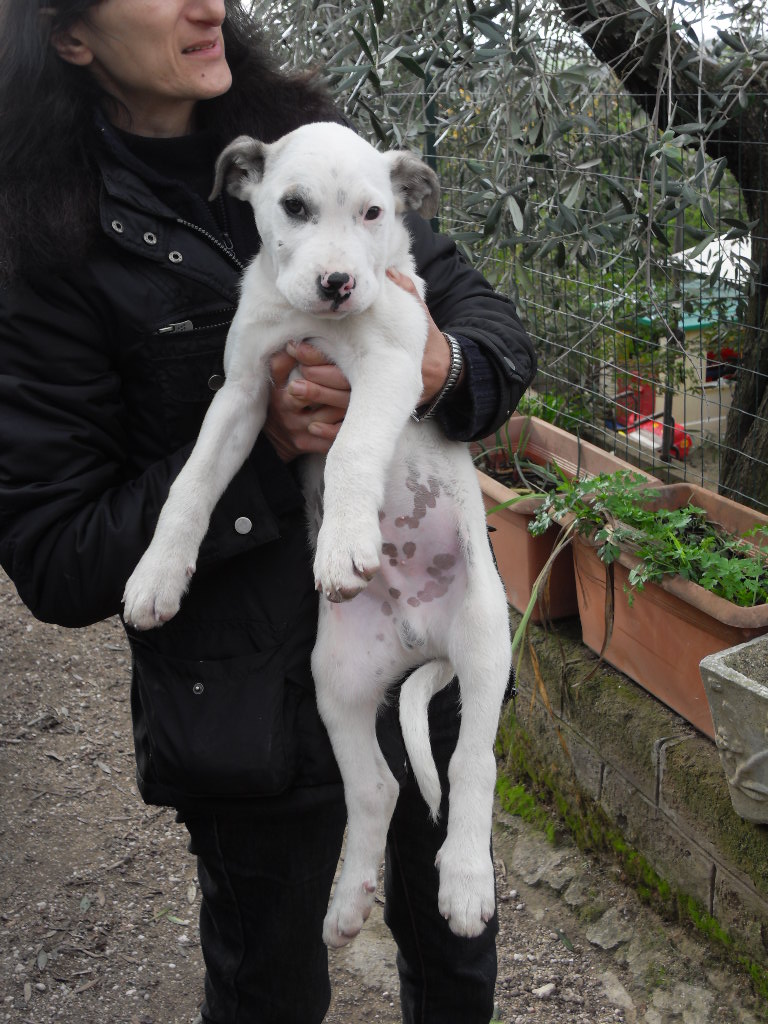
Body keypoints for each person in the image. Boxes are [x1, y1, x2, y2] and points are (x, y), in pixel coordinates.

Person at [0, 1, 537, 1022]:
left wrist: (447, 366)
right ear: (70, 35)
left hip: (422, 617)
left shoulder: (322, 153)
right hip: (244, 714)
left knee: (458, 965)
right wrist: (270, 452)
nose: (209, 4)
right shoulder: (45, 242)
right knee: (269, 992)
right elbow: (56, 553)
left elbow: (489, 329)